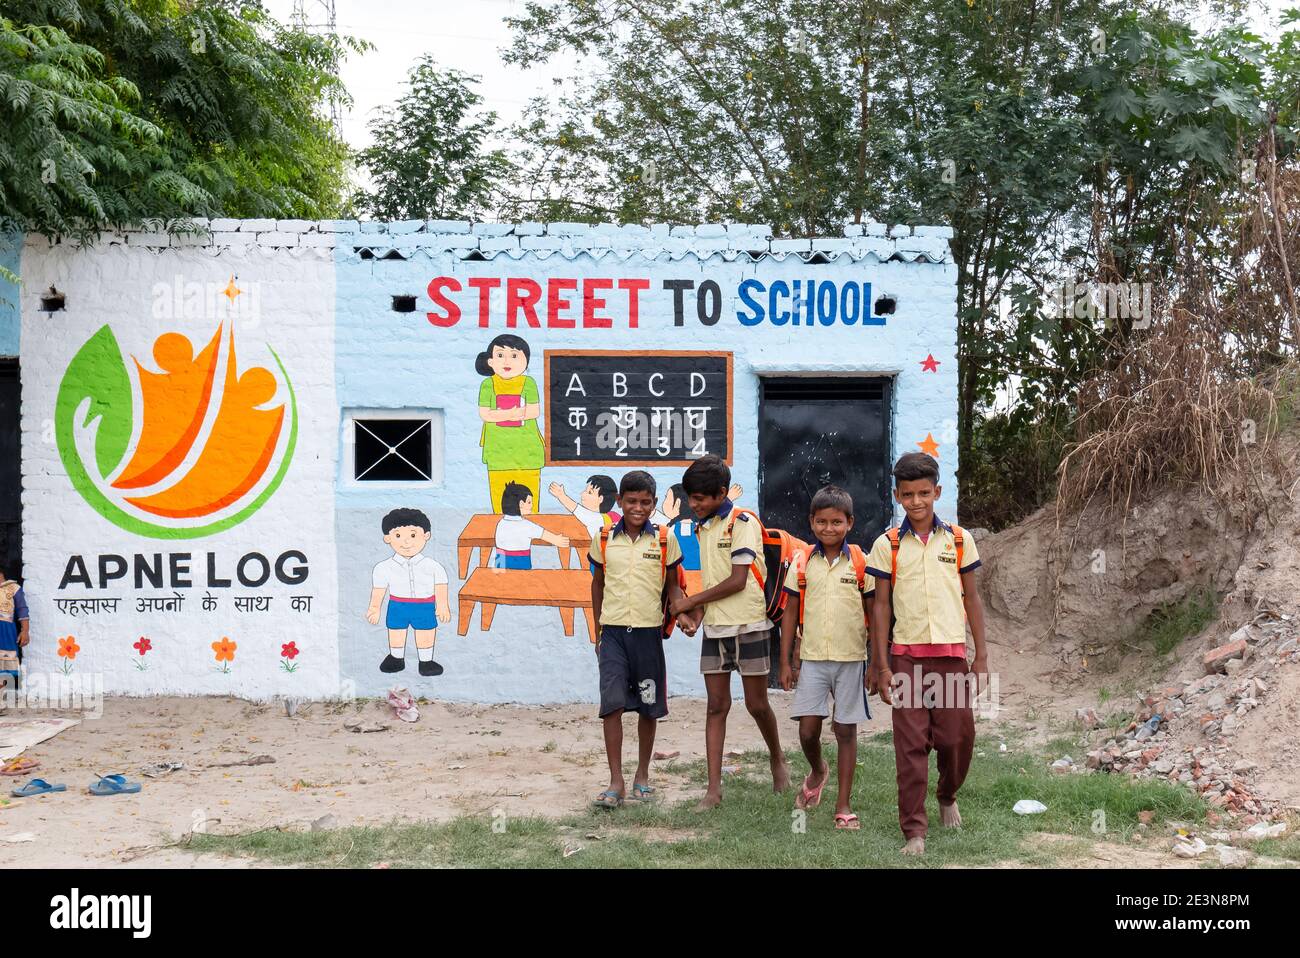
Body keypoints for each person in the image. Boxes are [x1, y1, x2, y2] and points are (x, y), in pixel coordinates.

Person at [867, 452, 988, 856]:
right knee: (910, 745)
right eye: (907, 495)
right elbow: (880, 606)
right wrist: (881, 664)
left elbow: (972, 599)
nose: (916, 502)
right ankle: (914, 830)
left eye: (923, 493)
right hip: (905, 659)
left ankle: (947, 794)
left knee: (957, 738)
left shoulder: (959, 540)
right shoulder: (887, 545)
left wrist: (981, 658)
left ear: (936, 492)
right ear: (897, 496)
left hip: (951, 657)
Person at [670, 455, 789, 810]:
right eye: (690, 499)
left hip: (750, 625)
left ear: (721, 493)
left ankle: (777, 758)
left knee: (756, 704)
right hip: (717, 629)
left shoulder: (743, 522)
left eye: (700, 499)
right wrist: (697, 615)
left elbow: (737, 581)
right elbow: (714, 581)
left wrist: (687, 603)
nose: (693, 506)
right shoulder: (703, 527)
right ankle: (713, 790)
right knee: (716, 707)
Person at [588, 470, 685, 808]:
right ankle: (616, 782)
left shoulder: (664, 538)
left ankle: (642, 774)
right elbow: (597, 583)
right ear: (620, 502)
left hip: (648, 635)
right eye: (631, 501)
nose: (638, 507)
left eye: (645, 502)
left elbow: (673, 584)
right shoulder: (603, 538)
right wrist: (597, 630)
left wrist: (683, 611)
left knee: (648, 707)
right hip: (613, 635)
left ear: (654, 504)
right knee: (611, 705)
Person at [779, 485, 873, 829]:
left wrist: (877, 662)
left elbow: (873, 611)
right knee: (807, 731)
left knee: (846, 730)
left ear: (849, 522)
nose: (828, 528)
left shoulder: (861, 562)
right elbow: (789, 611)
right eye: (821, 522)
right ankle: (818, 769)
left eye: (836, 522)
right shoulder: (803, 561)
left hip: (851, 659)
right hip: (814, 659)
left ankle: (844, 804)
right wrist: (787, 660)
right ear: (811, 522)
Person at [366, 508, 452, 676]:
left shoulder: (433, 566)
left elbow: (441, 586)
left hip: (425, 605)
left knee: (426, 632)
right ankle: (396, 658)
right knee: (396, 631)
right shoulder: (383, 568)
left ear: (426, 535)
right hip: (397, 605)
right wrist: (374, 608)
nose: (406, 542)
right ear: (388, 538)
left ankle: (426, 661)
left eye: (413, 535)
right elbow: (379, 590)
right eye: (398, 536)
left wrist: (443, 606)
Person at [476, 334, 544, 512]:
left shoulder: (528, 383)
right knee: (500, 504)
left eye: (514, 356)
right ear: (490, 361)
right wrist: (516, 413)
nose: (507, 361)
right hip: (498, 454)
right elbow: (485, 414)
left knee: (530, 505)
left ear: (526, 363)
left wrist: (501, 414)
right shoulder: (487, 384)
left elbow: (534, 411)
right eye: (500, 355)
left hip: (528, 452)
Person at [492, 482, 569, 570]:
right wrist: (559, 539)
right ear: (521, 504)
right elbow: (554, 539)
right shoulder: (527, 526)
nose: (531, 505)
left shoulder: (501, 523)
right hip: (522, 569)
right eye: (529, 502)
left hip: (500, 569)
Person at [548, 474, 619, 538]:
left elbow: (575, 508)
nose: (582, 494)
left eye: (589, 492)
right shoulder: (613, 516)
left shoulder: (596, 518)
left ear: (600, 499)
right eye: (585, 490)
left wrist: (561, 496)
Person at [0, 564, 29, 703]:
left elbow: (22, 611)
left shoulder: (14, 589)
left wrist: (25, 631)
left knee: (7, 663)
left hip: (5, 632)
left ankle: (6, 698)